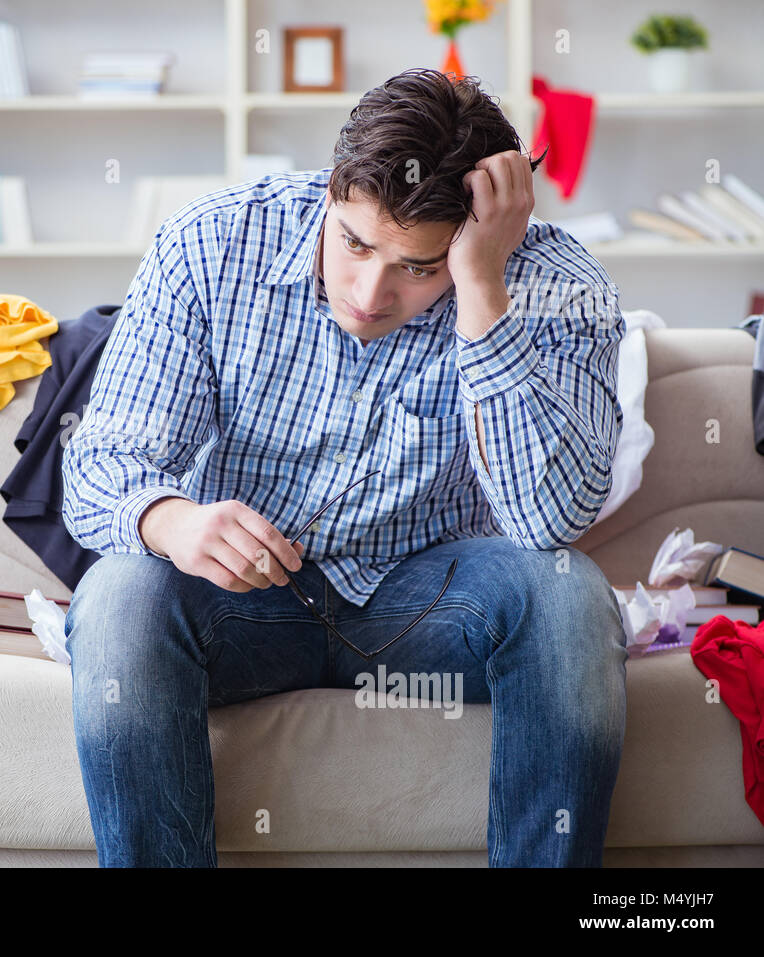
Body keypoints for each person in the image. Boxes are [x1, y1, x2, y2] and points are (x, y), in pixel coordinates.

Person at [59, 67, 628, 867]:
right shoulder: (213, 242)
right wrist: (172, 520)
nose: (367, 293)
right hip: (243, 604)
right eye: (355, 243)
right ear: (331, 191)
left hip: (431, 608)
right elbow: (102, 463)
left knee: (569, 595)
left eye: (418, 267)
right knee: (118, 593)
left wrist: (481, 290)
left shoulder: (558, 287)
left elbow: (550, 522)